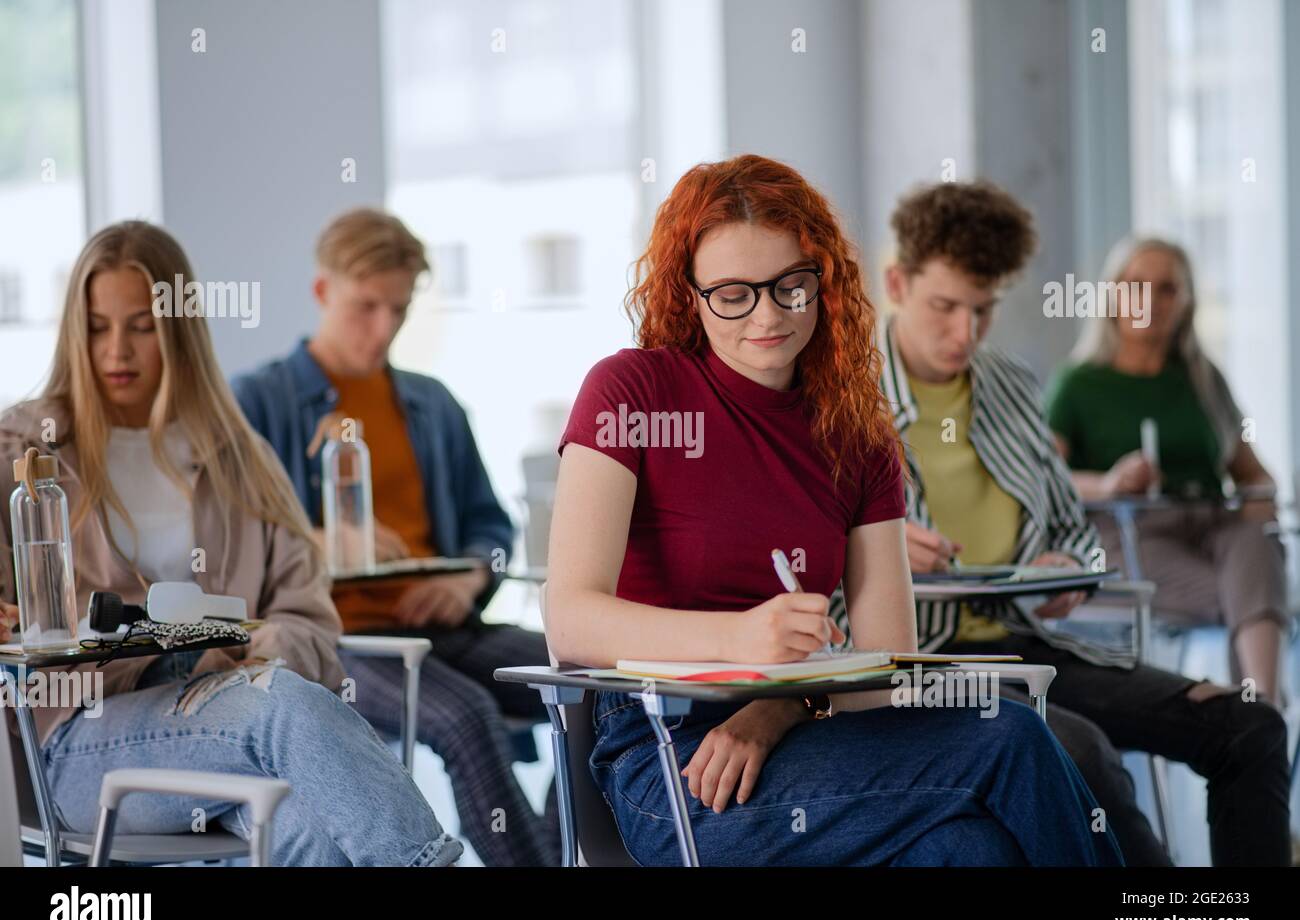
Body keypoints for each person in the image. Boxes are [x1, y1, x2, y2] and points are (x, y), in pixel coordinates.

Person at [547, 154, 1122, 866]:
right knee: (1008, 736)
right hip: (673, 762)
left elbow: (886, 665)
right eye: (732, 294)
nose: (769, 314)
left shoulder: (855, 428)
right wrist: (738, 641)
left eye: (792, 285)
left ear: (826, 282)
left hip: (816, 740)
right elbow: (569, 618)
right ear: (688, 294)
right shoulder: (629, 393)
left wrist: (782, 706)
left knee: (969, 849)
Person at [840, 182, 1290, 865]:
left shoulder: (1008, 386)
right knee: (1085, 753)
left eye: (983, 310)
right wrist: (871, 544)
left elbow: (1070, 524)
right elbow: (788, 548)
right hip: (924, 664)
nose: (966, 332)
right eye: (945, 307)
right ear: (898, 282)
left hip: (1031, 646)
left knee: (1246, 725)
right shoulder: (839, 396)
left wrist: (1066, 569)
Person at [0, 221, 460, 866]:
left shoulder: (240, 457)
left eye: (141, 325)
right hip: (79, 744)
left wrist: (256, 646)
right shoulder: (25, 453)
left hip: (225, 714)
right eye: (98, 327)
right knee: (281, 706)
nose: (116, 352)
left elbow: (309, 623)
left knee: (308, 819)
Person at [232, 209, 554, 866]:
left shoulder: (432, 405)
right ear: (323, 292)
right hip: (338, 641)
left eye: (399, 309)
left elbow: (490, 530)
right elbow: (230, 546)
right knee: (467, 719)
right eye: (366, 306)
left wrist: (465, 580)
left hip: (448, 630)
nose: (383, 328)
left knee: (592, 678)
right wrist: (319, 539)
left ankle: (566, 846)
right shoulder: (256, 402)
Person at [1046, 237, 1288, 704]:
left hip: (1214, 527)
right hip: (1129, 534)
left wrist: (1261, 500)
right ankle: (1254, 709)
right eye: (1136, 285)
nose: (1150, 301)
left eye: (1166, 288)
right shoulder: (1078, 385)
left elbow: (1254, 476)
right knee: (1256, 591)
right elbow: (1043, 482)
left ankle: (1260, 706)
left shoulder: (1202, 378)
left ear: (1187, 300)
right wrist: (1109, 483)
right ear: (1112, 294)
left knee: (1258, 542)